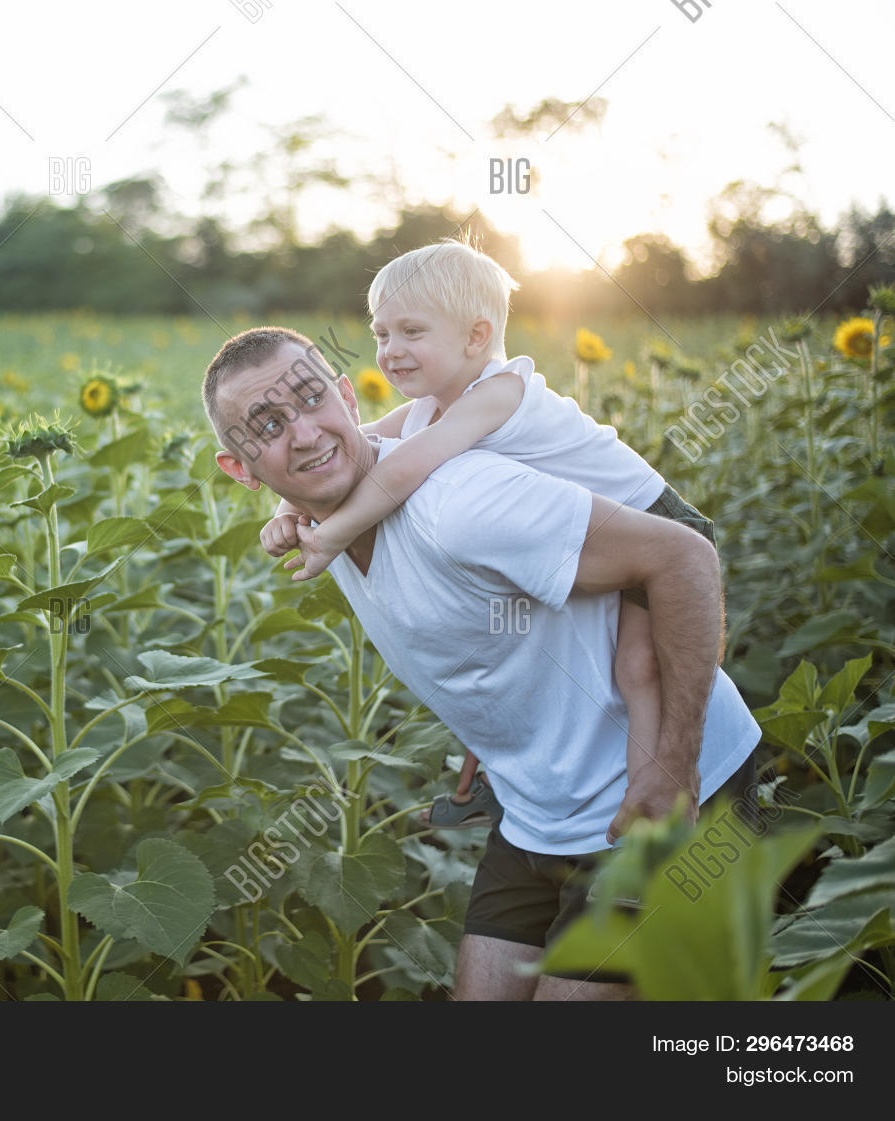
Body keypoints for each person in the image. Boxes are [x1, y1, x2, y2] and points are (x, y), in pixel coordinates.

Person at [203, 326, 760, 998]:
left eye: (313, 398)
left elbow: (685, 557)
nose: (306, 433)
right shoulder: (323, 523)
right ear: (239, 467)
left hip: (662, 791)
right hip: (539, 809)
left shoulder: (457, 503)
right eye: (267, 424)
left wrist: (676, 759)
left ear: (348, 398)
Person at [259, 240, 715, 836]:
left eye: (411, 331)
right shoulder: (429, 407)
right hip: (595, 529)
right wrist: (287, 502)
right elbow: (346, 439)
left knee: (635, 667)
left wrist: (332, 534)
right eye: (380, 334)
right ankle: (500, 787)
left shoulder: (499, 393)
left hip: (661, 521)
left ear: (476, 337)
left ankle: (651, 813)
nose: (389, 351)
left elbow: (399, 470)